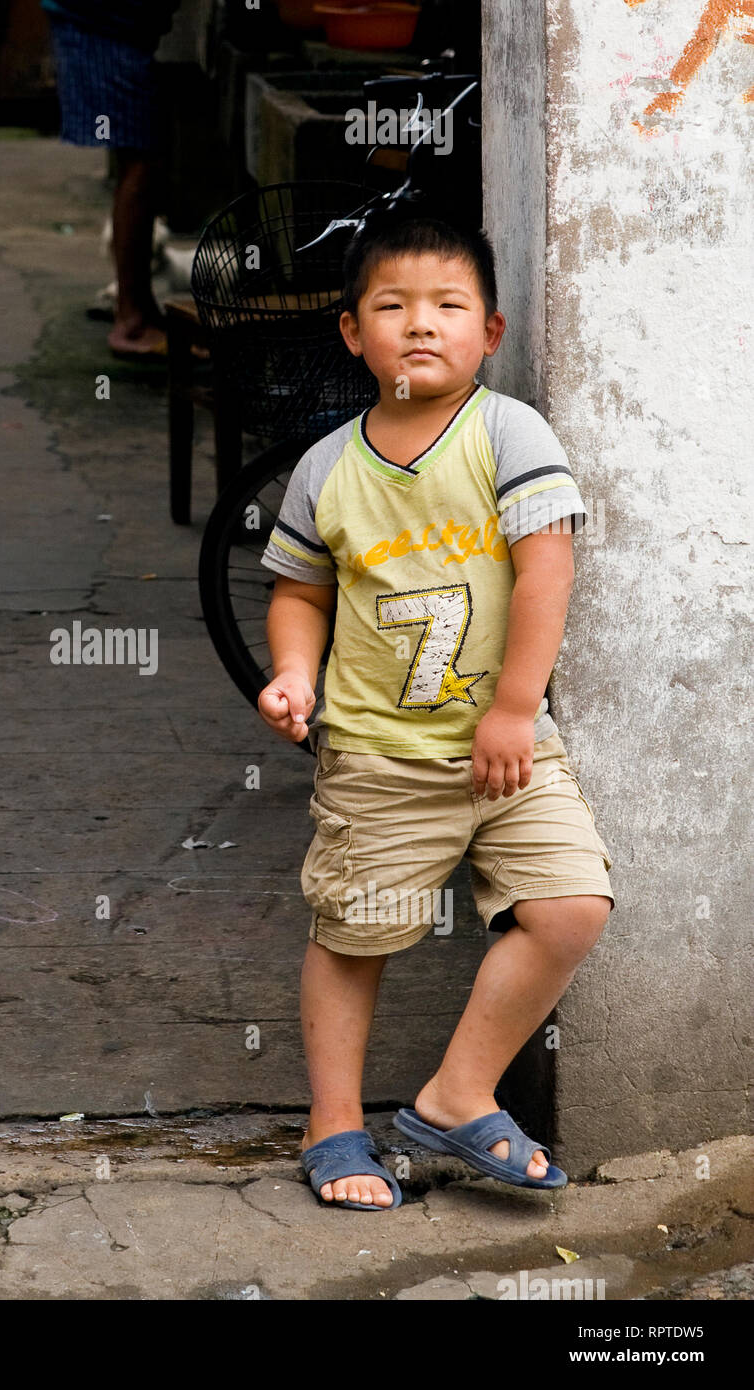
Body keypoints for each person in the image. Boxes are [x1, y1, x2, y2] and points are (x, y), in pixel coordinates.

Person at [258, 215, 614, 1210]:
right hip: (377, 756)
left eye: (447, 307)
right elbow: (298, 586)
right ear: (350, 333)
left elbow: (547, 566)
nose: (421, 325)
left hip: (510, 750)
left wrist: (513, 708)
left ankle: (458, 1092)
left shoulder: (507, 434)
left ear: (489, 333)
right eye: (393, 306)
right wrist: (295, 670)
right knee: (356, 933)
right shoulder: (327, 466)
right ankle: (332, 1123)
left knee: (570, 905)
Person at [42, 0, 184, 360]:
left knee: (142, 158)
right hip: (102, 23)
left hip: (110, 24)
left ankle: (138, 306)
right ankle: (132, 321)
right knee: (141, 161)